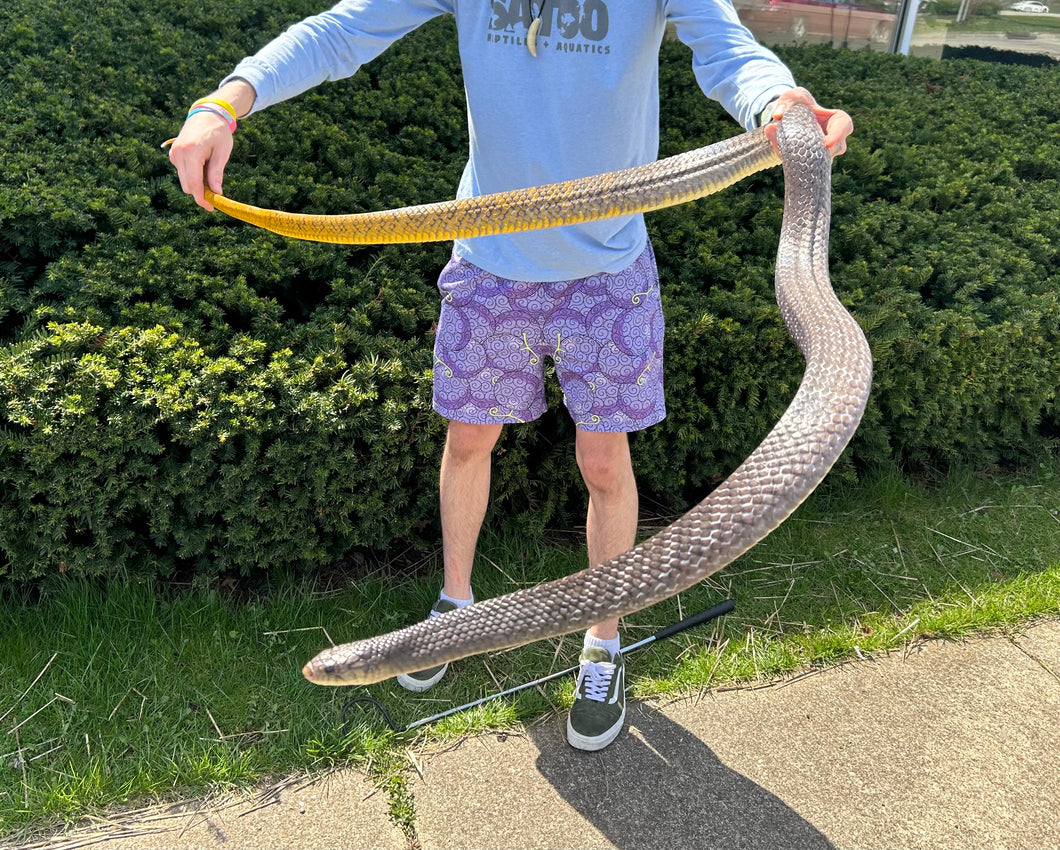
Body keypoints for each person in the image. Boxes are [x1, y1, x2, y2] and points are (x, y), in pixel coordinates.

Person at [168, 0, 853, 752]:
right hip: (491, 261)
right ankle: (454, 610)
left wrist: (778, 103)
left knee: (604, 463)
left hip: (608, 272)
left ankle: (603, 642)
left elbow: (726, 47)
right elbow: (343, 30)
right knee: (468, 441)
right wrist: (221, 105)